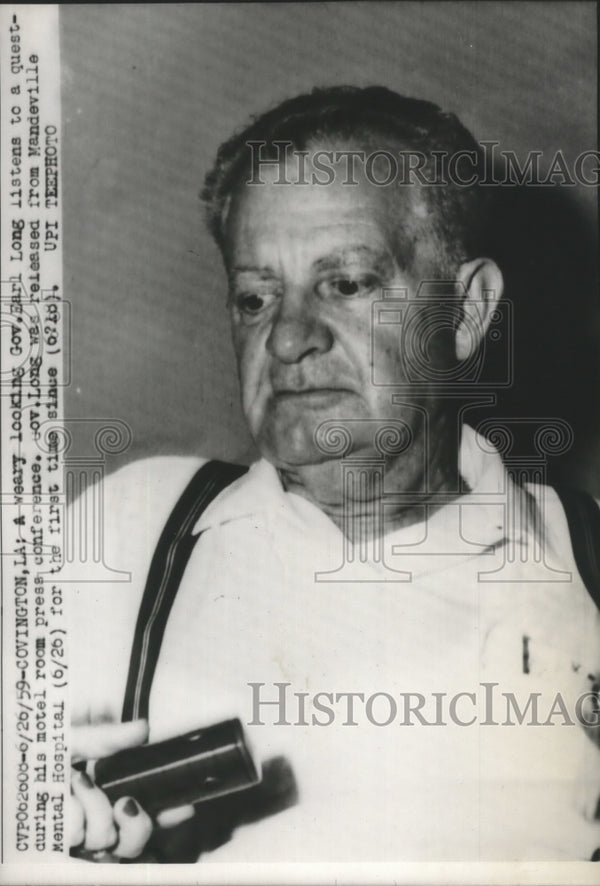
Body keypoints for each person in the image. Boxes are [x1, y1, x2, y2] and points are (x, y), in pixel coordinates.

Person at [67, 86, 600, 863]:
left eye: (345, 284)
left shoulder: (584, 568)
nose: (286, 339)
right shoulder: (128, 535)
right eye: (254, 297)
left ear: (469, 310)